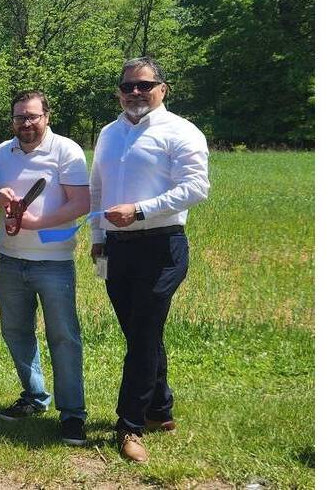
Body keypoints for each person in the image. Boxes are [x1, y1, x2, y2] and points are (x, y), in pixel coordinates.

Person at [90, 57, 210, 463]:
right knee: (140, 331)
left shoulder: (181, 131)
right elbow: (97, 188)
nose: (136, 93)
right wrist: (97, 237)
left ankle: (130, 425)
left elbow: (196, 187)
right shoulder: (109, 133)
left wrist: (140, 210)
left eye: (144, 85)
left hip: (162, 247)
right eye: (128, 87)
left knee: (142, 332)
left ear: (163, 88)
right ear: (119, 92)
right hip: (116, 247)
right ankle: (160, 409)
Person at [0, 90, 90, 446]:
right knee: (16, 332)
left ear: (46, 116)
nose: (25, 123)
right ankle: (35, 396)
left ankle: (73, 415)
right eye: (19, 117)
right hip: (9, 259)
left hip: (54, 263)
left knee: (64, 338)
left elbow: (81, 203)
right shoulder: (2, 152)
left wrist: (36, 223)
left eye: (32, 116)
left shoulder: (67, 150)